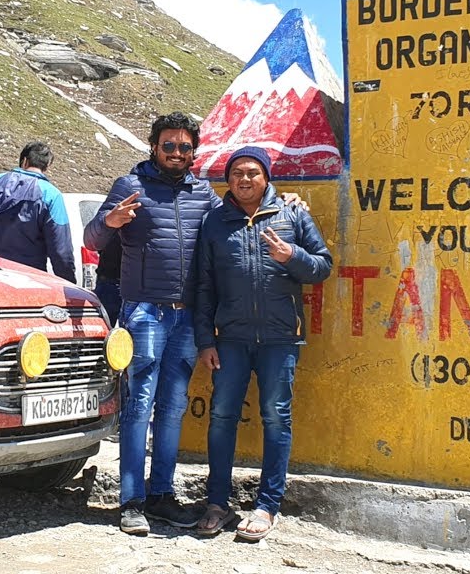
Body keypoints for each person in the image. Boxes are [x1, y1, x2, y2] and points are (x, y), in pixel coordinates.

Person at [85, 113, 305, 535]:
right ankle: (132, 501)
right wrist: (109, 223)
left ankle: (162, 497)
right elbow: (93, 240)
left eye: (185, 147)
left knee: (172, 408)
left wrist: (288, 201)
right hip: (144, 311)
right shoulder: (130, 186)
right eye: (169, 145)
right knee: (139, 403)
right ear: (154, 147)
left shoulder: (203, 193)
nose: (176, 153)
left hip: (186, 316)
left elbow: (247, 208)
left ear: (193, 153)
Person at [192, 146, 332, 541]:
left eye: (253, 172)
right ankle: (217, 503)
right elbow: (204, 288)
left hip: (280, 338)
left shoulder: (292, 213)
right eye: (237, 172)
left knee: (276, 417)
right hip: (230, 339)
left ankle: (268, 505)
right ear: (228, 180)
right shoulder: (214, 223)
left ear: (267, 177)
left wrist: (292, 256)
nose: (245, 179)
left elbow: (322, 266)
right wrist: (206, 340)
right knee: (221, 418)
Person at [0, 142, 75, 281]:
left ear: (24, 161)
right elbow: (61, 250)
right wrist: (69, 285)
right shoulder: (51, 195)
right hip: (31, 277)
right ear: (46, 166)